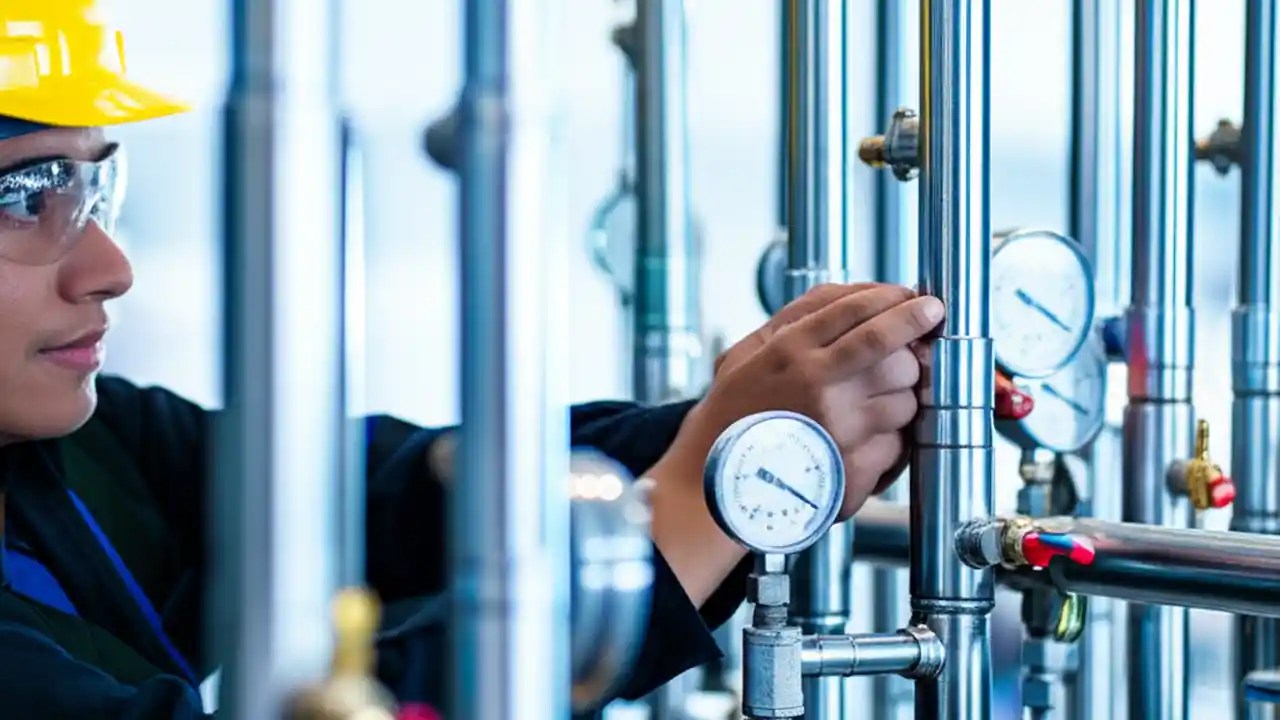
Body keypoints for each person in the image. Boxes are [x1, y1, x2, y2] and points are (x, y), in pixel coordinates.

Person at [0, 3, 945, 718]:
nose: (109, 267)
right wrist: (711, 498)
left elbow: (400, 494)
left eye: (92, 188)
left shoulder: (82, 452)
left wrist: (768, 417)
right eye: (25, 196)